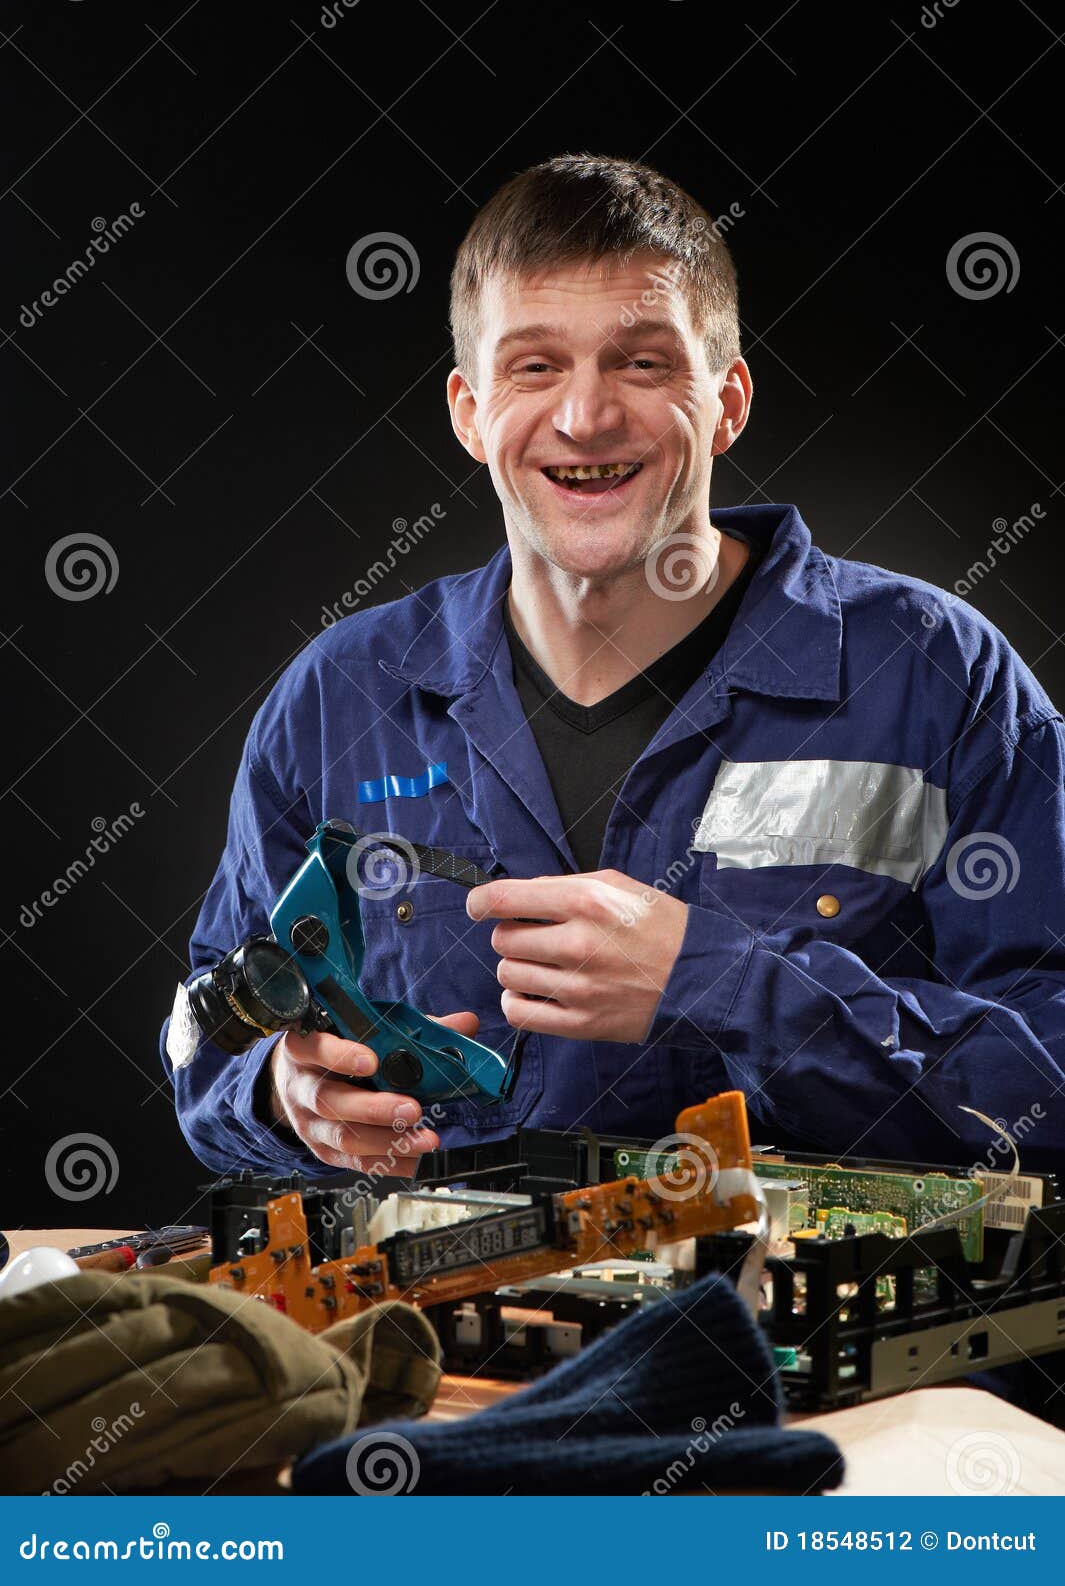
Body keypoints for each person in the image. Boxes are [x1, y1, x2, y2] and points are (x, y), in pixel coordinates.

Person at [161, 153, 1065, 1183]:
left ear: (727, 401)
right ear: (469, 411)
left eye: (642, 363)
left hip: (791, 1332)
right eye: (535, 366)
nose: (586, 418)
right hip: (446, 1340)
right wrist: (278, 1094)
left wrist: (725, 985)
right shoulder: (339, 698)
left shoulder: (934, 677)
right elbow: (200, 1036)